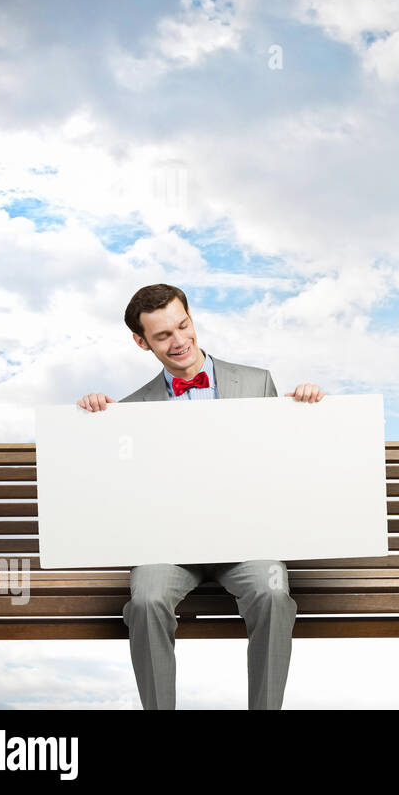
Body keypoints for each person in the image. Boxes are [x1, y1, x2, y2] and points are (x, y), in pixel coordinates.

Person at [76, 283, 325, 710]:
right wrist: (94, 419)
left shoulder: (256, 380)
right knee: (147, 600)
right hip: (169, 548)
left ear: (191, 318)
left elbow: (286, 462)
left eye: (183, 326)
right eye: (162, 336)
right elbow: (118, 491)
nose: (179, 342)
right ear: (141, 342)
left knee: (273, 593)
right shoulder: (129, 409)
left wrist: (307, 406)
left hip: (246, 542)